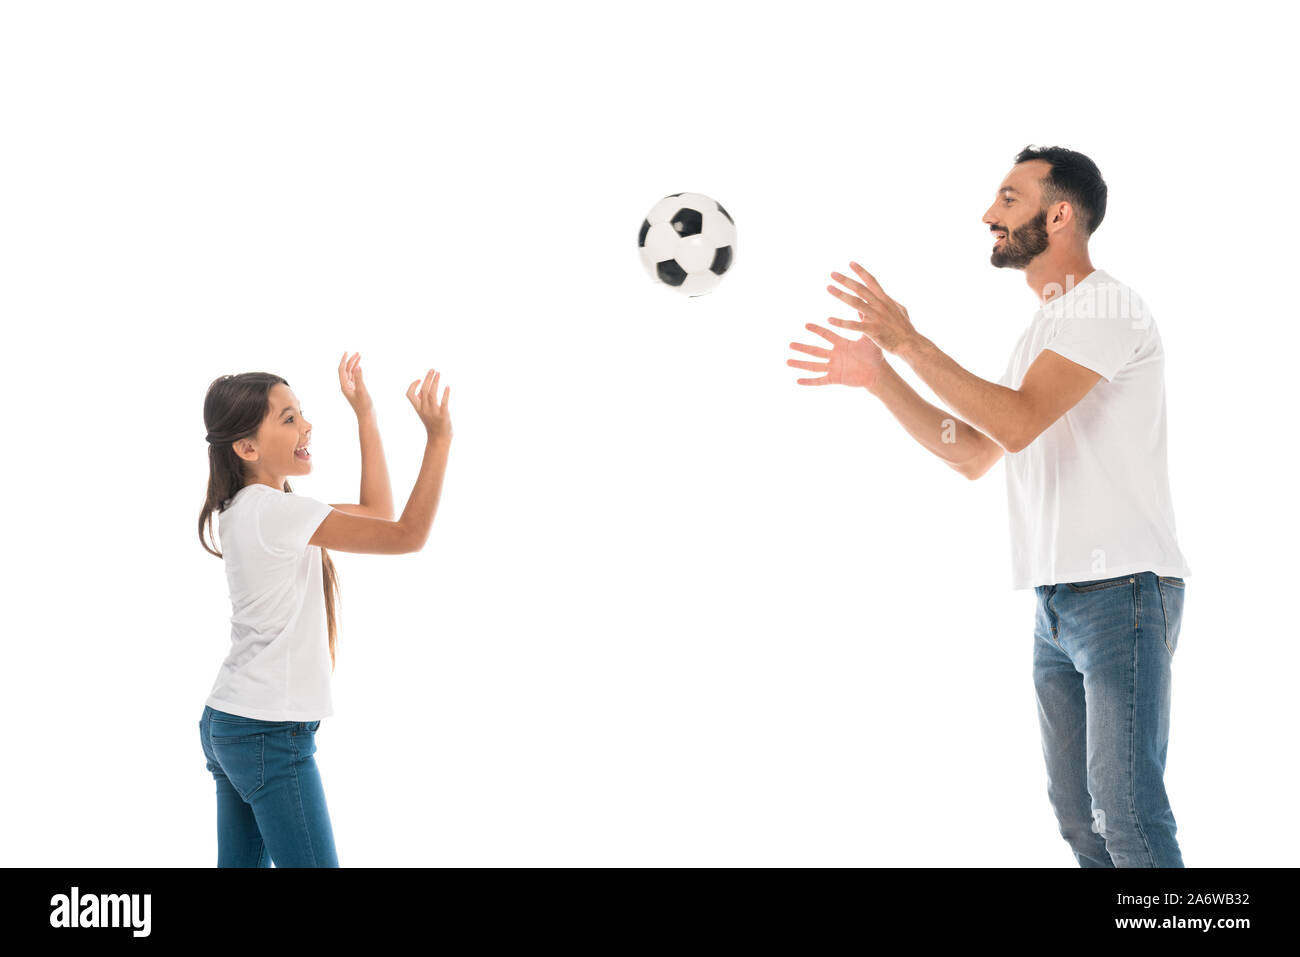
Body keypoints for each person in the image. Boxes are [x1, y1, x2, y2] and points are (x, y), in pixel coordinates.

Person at [786, 145, 1190, 867]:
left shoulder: (1107, 305)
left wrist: (910, 340)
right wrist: (883, 376)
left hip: (1123, 591)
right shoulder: (1044, 329)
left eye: (1009, 199)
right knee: (1081, 820)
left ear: (1059, 213)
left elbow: (1016, 420)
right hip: (1058, 602)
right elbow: (973, 449)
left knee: (1127, 814)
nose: (988, 215)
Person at [197, 353, 453, 867]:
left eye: (301, 412)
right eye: (288, 418)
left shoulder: (248, 509)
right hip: (269, 731)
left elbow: (378, 512)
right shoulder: (276, 512)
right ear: (247, 447)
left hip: (229, 722)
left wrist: (365, 414)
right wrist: (439, 438)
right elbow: (407, 534)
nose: (306, 423)